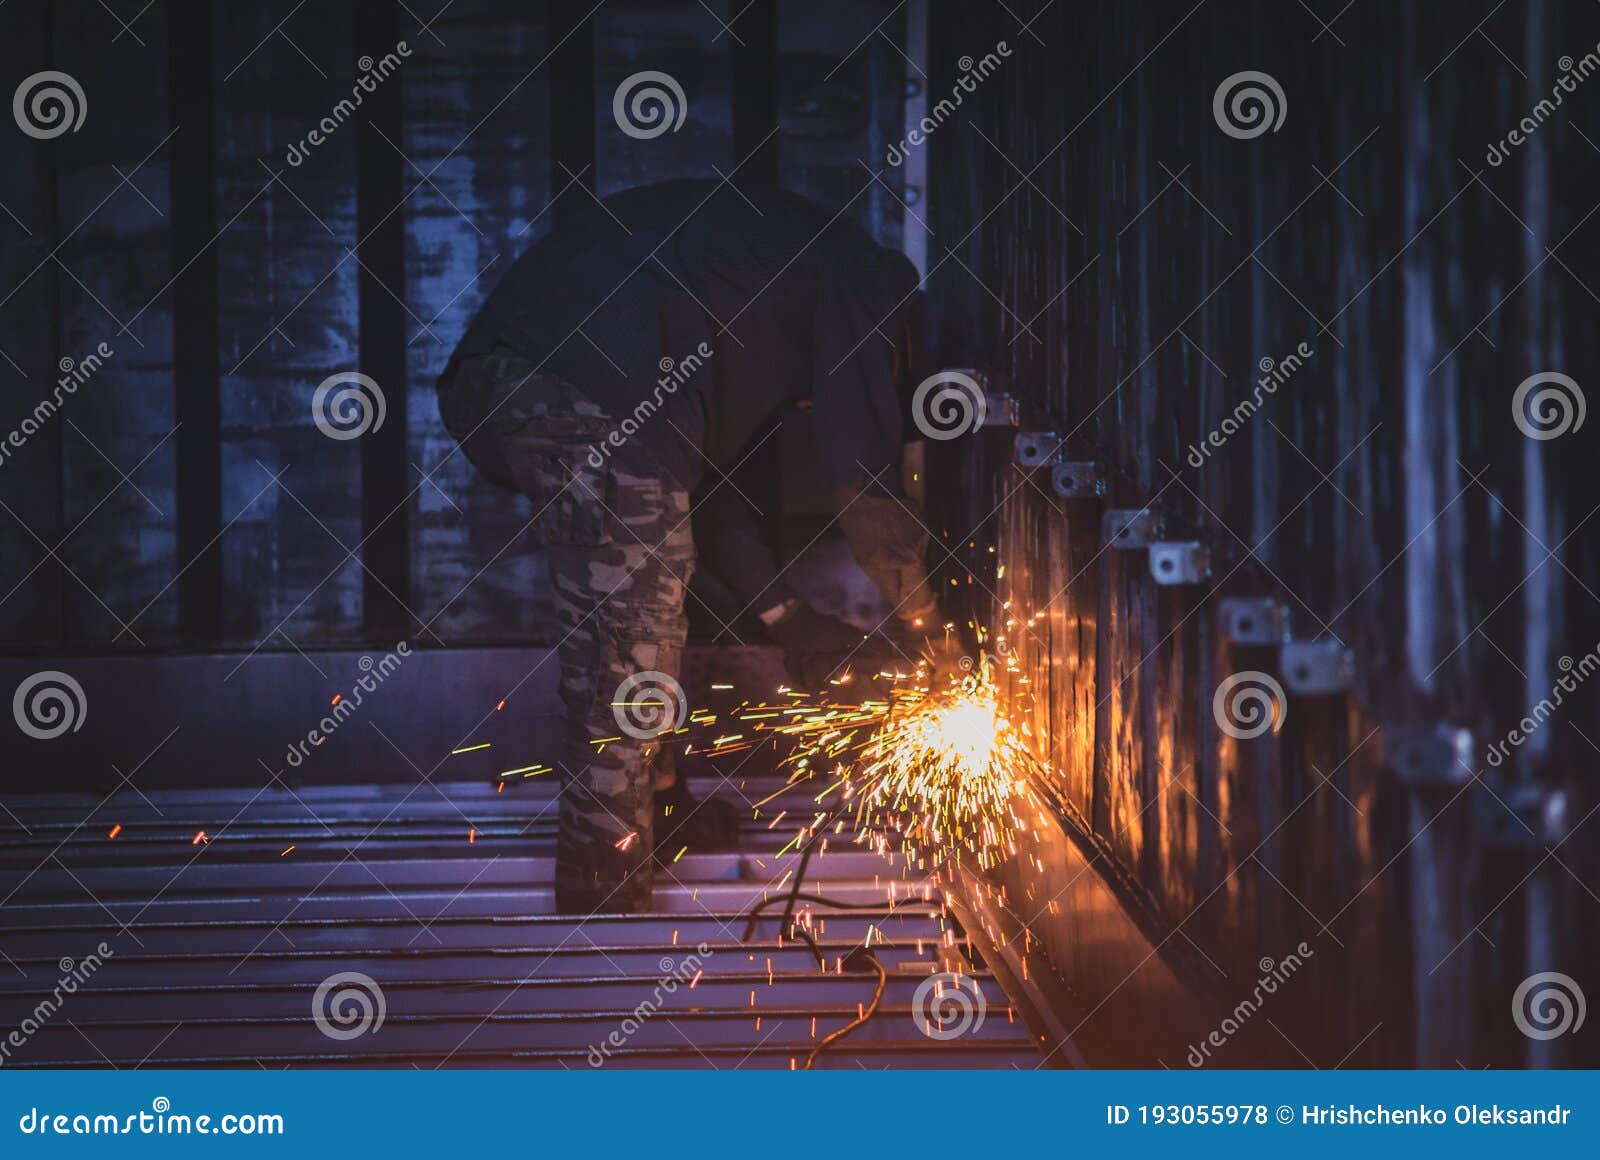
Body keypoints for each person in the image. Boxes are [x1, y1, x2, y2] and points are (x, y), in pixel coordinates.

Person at [436, 180, 937, 914]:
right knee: (629, 644)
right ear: (907, 353)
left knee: (651, 601)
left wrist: (789, 622)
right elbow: (862, 470)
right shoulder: (865, 280)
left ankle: (660, 810)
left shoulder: (755, 294)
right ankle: (601, 900)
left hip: (525, 378)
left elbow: (704, 498)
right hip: (577, 382)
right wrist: (928, 633)